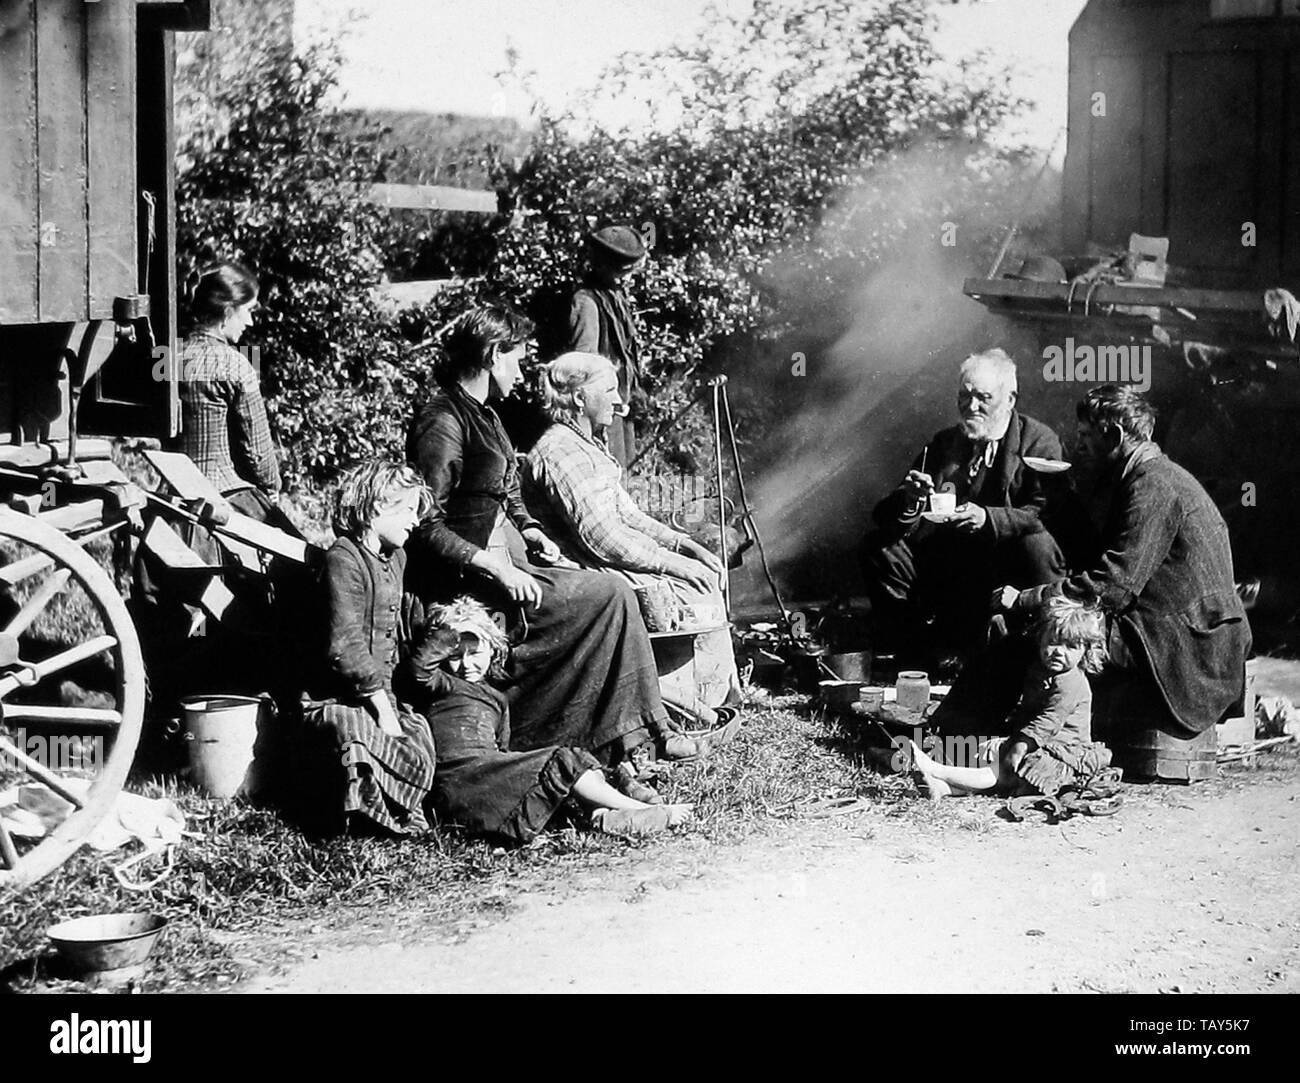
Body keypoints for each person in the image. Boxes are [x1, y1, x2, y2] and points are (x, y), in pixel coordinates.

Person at [404, 306, 705, 805]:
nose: (522, 374)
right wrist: (491, 564)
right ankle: (616, 746)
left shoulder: (487, 416)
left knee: (608, 594)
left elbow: (509, 493)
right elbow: (423, 523)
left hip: (506, 563)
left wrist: (533, 531)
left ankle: (625, 746)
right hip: (464, 584)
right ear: (492, 355)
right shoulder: (442, 422)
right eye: (516, 360)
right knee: (605, 596)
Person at [991, 385, 1251, 739]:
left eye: (1085, 436)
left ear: (1113, 436)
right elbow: (1104, 560)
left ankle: (966, 736)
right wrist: (1059, 497)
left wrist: (1027, 599)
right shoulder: (1150, 476)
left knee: (1026, 628)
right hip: (1185, 633)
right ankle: (991, 734)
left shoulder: (1153, 486)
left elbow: (1113, 587)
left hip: (1186, 649)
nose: (1078, 446)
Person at [523, 352, 741, 710]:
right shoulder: (560, 451)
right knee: (686, 591)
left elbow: (628, 513)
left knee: (701, 577)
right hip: (580, 567)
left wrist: (684, 545)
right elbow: (602, 537)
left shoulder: (587, 444)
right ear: (580, 397)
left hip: (603, 555)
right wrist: (673, 565)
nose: (618, 400)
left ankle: (718, 696)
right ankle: (682, 706)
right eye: (608, 389)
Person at [413, 596, 694, 842]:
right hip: (462, 781)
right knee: (563, 762)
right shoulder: (442, 684)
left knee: (574, 761)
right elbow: (419, 669)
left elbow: (502, 749)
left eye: (475, 653)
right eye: (454, 656)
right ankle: (640, 810)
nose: (465, 665)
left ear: (492, 649)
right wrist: (451, 630)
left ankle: (602, 815)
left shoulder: (496, 698)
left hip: (489, 773)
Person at [860, 348, 1070, 663]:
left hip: (1007, 570)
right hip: (950, 565)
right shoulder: (944, 443)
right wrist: (910, 500)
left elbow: (1047, 513)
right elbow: (888, 514)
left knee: (1036, 545)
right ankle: (914, 652)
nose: (970, 406)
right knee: (879, 547)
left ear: (1010, 400)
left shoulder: (1039, 442)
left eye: (983, 397)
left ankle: (1034, 656)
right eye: (964, 396)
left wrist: (988, 519)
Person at [300, 461, 438, 835]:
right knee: (355, 728)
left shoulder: (396, 559)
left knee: (419, 732)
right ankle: (369, 815)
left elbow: (401, 626)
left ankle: (403, 812)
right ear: (377, 506)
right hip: (336, 696)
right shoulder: (343, 559)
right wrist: (383, 711)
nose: (414, 521)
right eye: (408, 510)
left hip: (383, 693)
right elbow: (344, 647)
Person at [908, 596, 1111, 800]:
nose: (1059, 652)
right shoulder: (1039, 670)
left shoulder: (1071, 682)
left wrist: (1019, 746)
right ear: (1040, 639)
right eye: (1052, 642)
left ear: (1086, 651)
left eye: (1071, 647)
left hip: (1062, 753)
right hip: (1036, 742)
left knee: (1004, 771)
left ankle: (937, 770)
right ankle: (944, 788)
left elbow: (1049, 721)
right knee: (990, 755)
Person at [565, 225, 648, 468]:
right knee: (609, 477)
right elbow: (584, 365)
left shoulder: (615, 295)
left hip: (620, 408)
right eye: (624, 272)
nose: (629, 278)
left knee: (624, 474)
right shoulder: (586, 303)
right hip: (602, 411)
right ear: (604, 266)